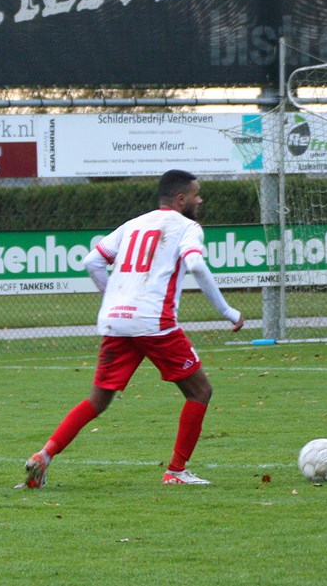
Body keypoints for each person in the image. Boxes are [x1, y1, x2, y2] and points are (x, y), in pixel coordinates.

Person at [21, 170, 244, 488]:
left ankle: (44, 456)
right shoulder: (187, 227)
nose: (200, 199)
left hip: (115, 320)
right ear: (181, 199)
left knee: (97, 400)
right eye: (196, 194)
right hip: (154, 321)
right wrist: (228, 311)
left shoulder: (133, 224)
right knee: (200, 391)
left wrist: (113, 296)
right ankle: (176, 471)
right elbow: (195, 265)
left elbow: (92, 262)